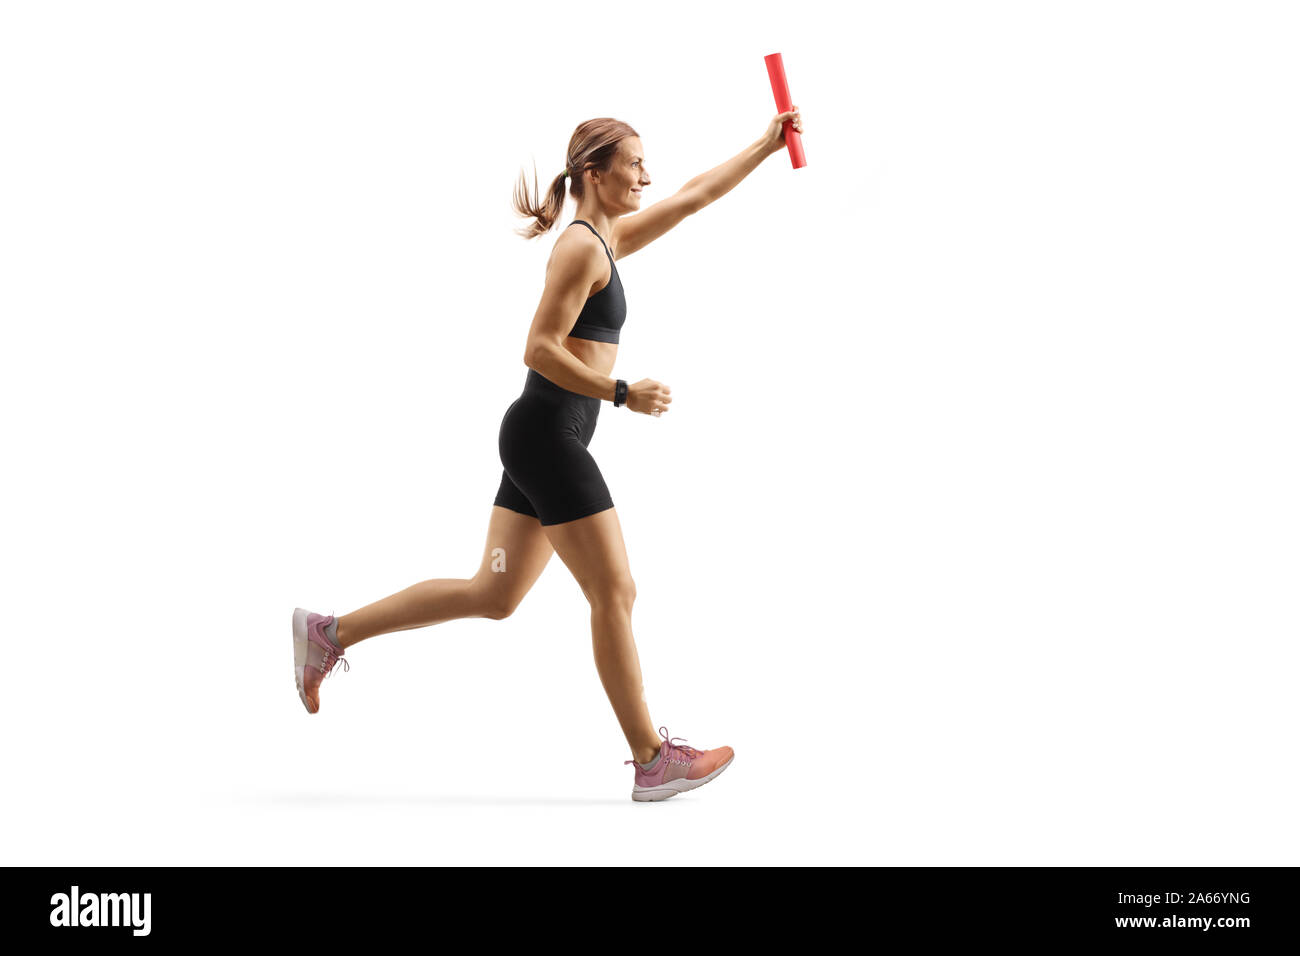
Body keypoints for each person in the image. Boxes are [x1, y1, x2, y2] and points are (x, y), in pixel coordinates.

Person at [292, 105, 805, 801]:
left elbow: (693, 198)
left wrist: (765, 146)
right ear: (594, 172)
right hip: (547, 437)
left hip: (539, 435)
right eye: (633, 163)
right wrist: (621, 391)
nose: (646, 175)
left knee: (493, 594)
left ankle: (329, 632)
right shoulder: (582, 249)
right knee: (614, 590)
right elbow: (538, 348)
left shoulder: (606, 237)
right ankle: (652, 758)